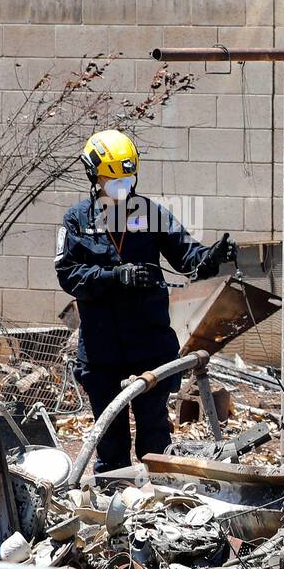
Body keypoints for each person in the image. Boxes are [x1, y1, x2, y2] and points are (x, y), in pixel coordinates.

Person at [55, 129, 237, 474]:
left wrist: (213, 257)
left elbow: (188, 257)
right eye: (114, 182)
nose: (123, 189)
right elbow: (69, 275)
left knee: (155, 439)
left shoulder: (150, 213)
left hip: (149, 346)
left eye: (128, 181)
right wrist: (114, 277)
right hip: (102, 348)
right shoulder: (77, 220)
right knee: (111, 444)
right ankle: (115, 504)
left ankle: (157, 507)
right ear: (94, 177)